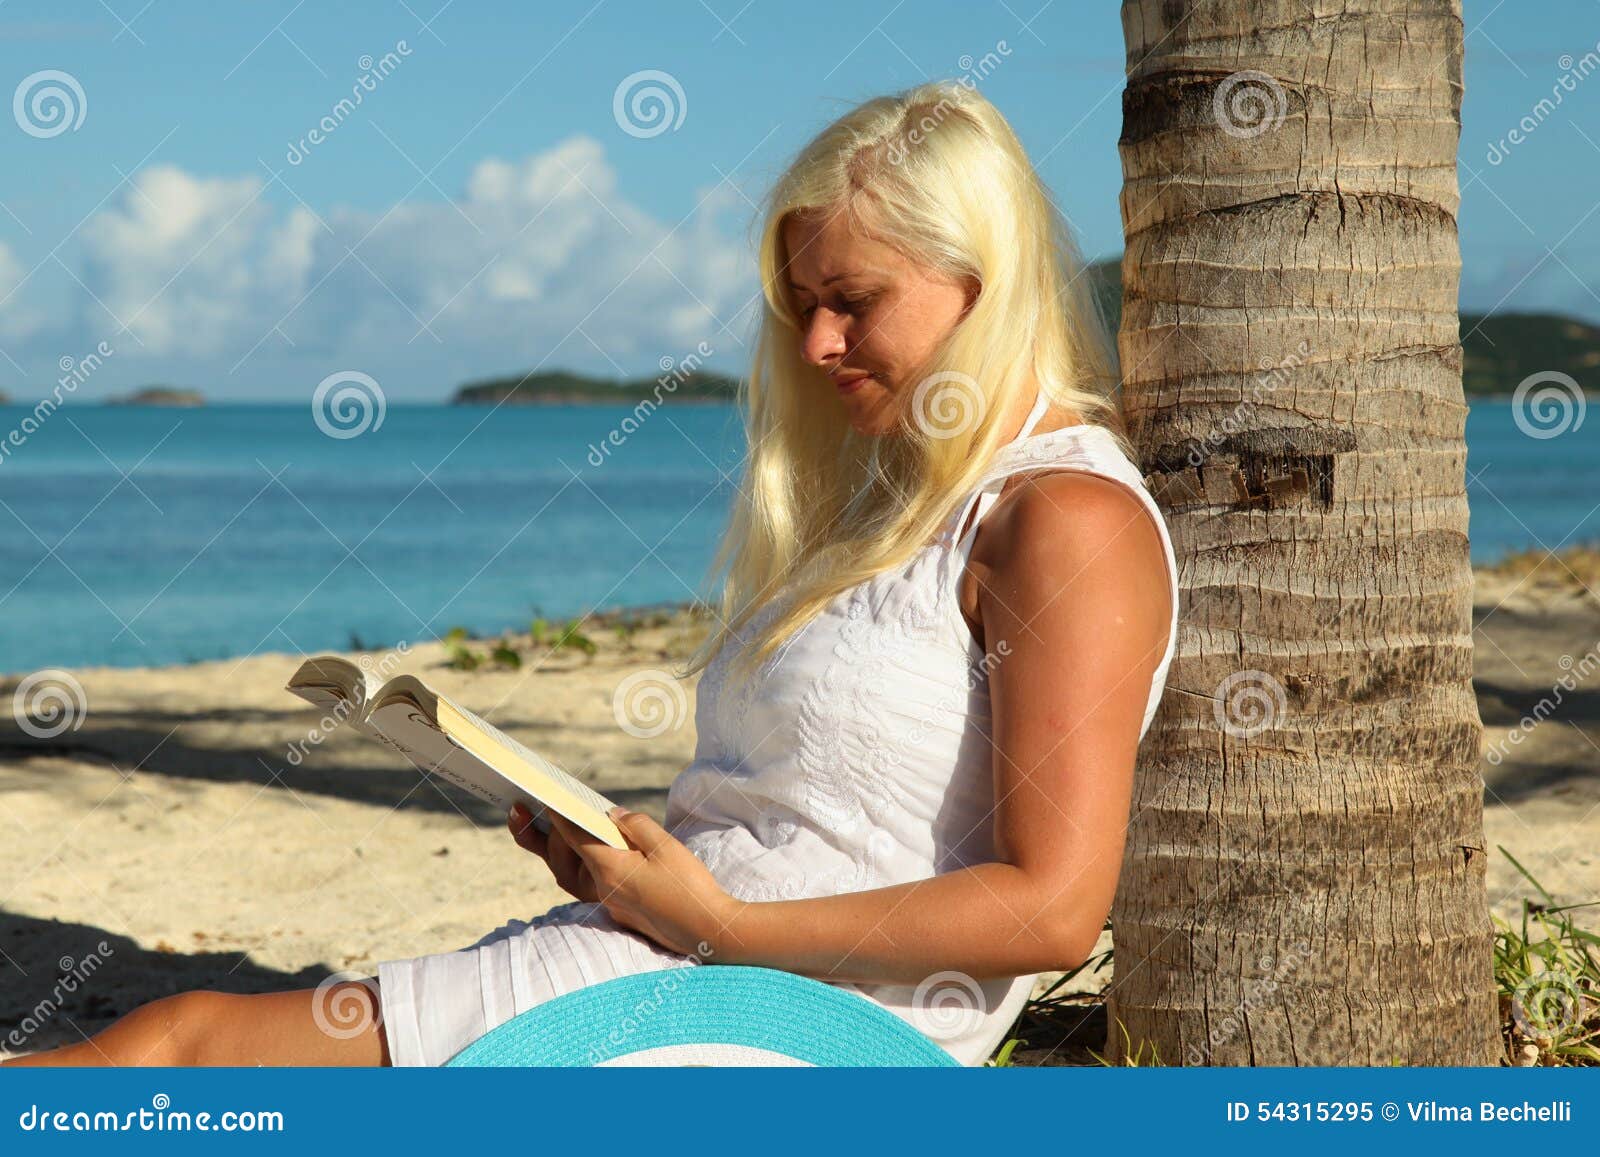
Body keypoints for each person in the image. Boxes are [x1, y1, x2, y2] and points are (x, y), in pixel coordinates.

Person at [5, 79, 1178, 1068]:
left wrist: (719, 923)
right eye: (802, 308)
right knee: (176, 1042)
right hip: (688, 967)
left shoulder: (1062, 519)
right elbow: (810, 818)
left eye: (852, 303)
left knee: (181, 1044)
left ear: (981, 281)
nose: (816, 345)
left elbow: (1053, 905)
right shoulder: (897, 511)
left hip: (792, 1024)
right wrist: (618, 863)